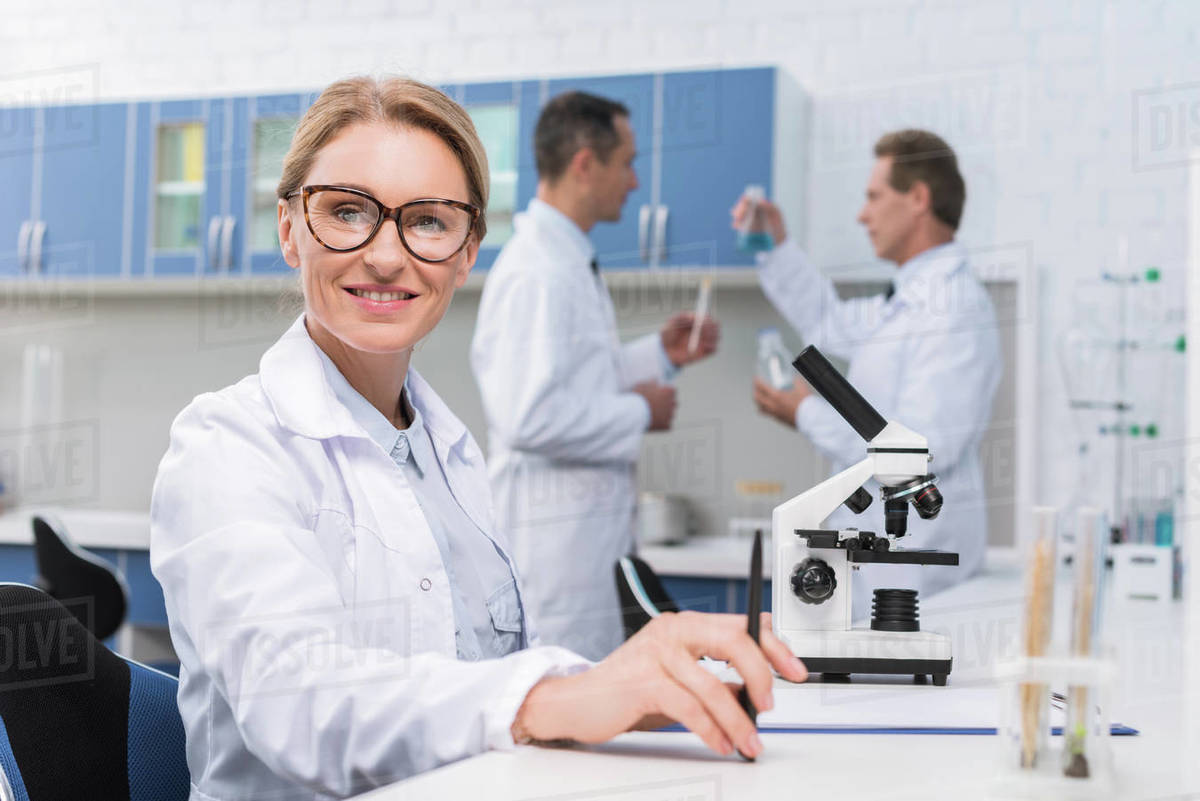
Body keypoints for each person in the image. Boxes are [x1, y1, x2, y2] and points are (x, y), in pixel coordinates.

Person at [151, 77, 802, 801]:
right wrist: (559, 696)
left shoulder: (447, 454)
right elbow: (297, 701)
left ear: (467, 253)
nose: (386, 255)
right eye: (345, 212)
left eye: (427, 221)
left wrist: (634, 687)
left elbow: (471, 693)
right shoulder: (225, 446)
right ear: (288, 230)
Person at [470, 92, 720, 660]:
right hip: (552, 558)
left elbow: (577, 380)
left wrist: (661, 354)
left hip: (582, 549)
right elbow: (528, 416)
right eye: (627, 162)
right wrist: (642, 411)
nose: (634, 182)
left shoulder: (567, 262)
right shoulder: (538, 272)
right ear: (585, 164)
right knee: (562, 721)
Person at [740, 129, 1001, 613]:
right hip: (885, 569)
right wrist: (776, 245)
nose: (863, 214)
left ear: (918, 198)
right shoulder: (908, 298)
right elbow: (829, 322)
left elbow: (919, 450)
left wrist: (805, 413)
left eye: (874, 196)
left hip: (918, 579)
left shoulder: (951, 307)